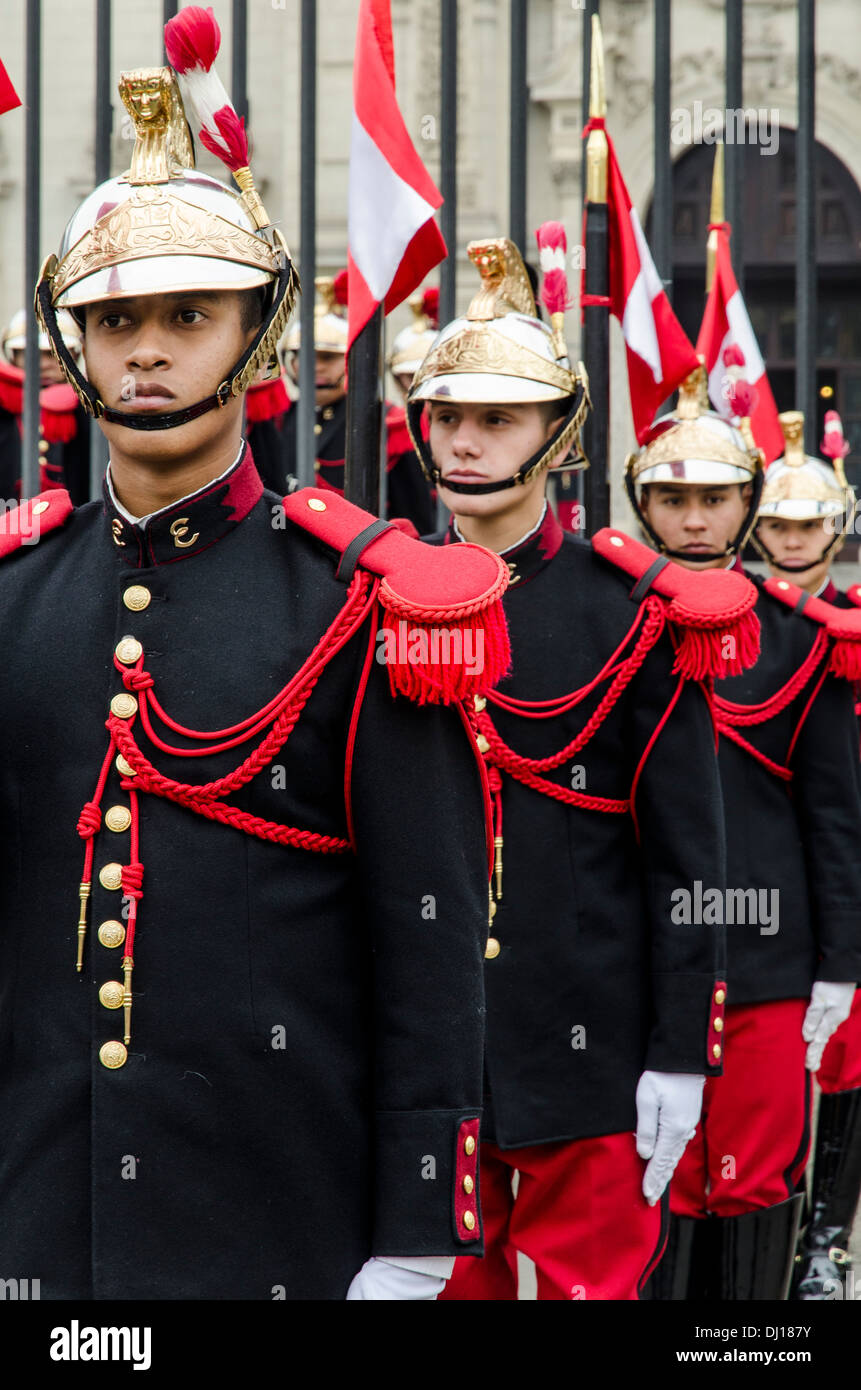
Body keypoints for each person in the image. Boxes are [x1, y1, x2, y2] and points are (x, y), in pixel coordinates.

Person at [0, 54, 507, 1301]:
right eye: (118, 321)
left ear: (254, 331)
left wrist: (416, 1226)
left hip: (275, 1219)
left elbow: (429, 933)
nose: (148, 353)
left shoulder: (357, 597)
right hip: (42, 1217)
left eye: (188, 316)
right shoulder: (14, 593)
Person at [408, 236, 757, 1300]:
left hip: (590, 1040)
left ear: (558, 435)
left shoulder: (635, 611)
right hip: (433, 1055)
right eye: (448, 416)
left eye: (496, 419)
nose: (464, 443)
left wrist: (683, 1050)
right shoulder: (384, 594)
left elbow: (689, 854)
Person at [629, 375, 861, 1300]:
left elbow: (834, 817)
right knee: (662, 1173)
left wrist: (841, 959)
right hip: (640, 956)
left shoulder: (804, 641)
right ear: (642, 504)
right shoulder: (615, 620)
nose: (693, 519)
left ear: (748, 504)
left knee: (752, 1173)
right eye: (673, 498)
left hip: (767, 952)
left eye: (713, 498)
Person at [751, 407, 861, 1301]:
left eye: (808, 525)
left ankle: (827, 1233)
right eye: (779, 525)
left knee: (851, 1061)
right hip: (777, 877)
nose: (792, 541)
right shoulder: (743, 622)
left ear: (838, 528)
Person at [0, 307, 90, 504]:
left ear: (73, 355)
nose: (41, 364)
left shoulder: (89, 405)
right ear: (12, 355)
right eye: (30, 353)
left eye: (51, 354)